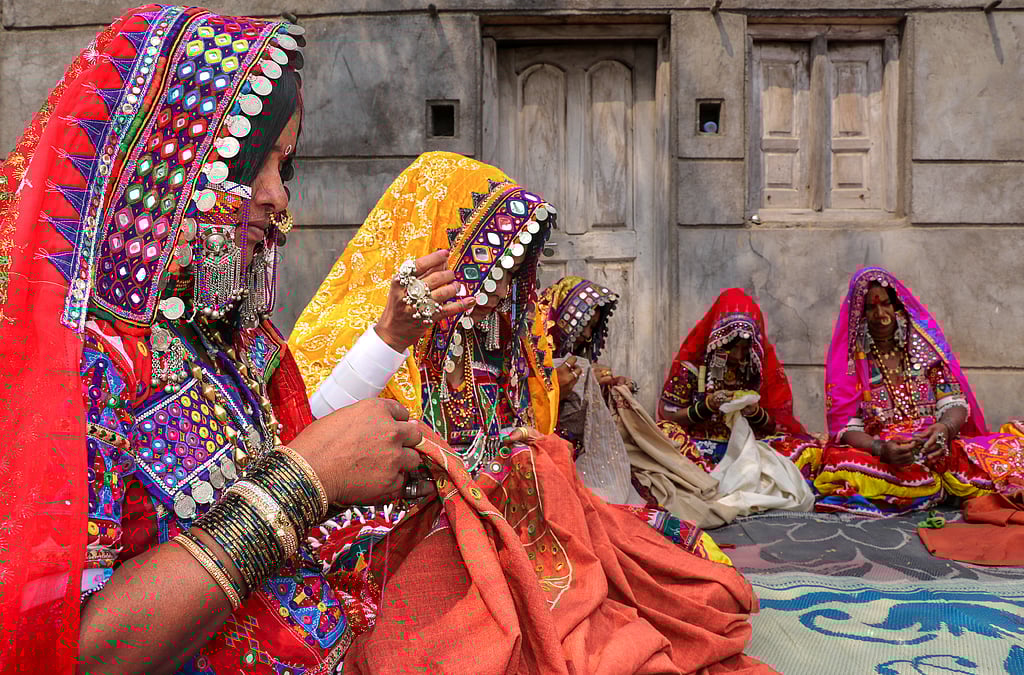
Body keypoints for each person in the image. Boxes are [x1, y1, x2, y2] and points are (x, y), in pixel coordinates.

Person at [0, 7, 431, 673]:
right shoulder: (83, 364)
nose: (277, 197)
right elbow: (76, 654)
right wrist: (302, 480)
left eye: (284, 168)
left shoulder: (224, 343)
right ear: (163, 163)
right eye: (247, 163)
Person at [290, 152, 775, 674]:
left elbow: (504, 432)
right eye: (493, 267)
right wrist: (390, 346)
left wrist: (508, 457)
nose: (502, 289)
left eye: (512, 271)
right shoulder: (367, 338)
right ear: (448, 250)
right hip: (392, 521)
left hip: (487, 506)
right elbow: (312, 445)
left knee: (654, 554)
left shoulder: (489, 340)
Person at [816, 266, 1024, 516]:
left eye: (885, 304)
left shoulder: (923, 348)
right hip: (886, 454)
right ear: (861, 314)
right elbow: (847, 428)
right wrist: (881, 449)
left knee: (1013, 445)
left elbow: (954, 402)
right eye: (871, 308)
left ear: (897, 307)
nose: (880, 314)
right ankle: (936, 487)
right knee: (842, 464)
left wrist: (945, 429)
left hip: (937, 446)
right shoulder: (852, 363)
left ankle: (930, 486)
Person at [657, 289, 822, 481]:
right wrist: (706, 406)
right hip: (700, 447)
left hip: (747, 448)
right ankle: (723, 479)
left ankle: (732, 478)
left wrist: (755, 413)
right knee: (665, 435)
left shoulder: (756, 367)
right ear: (717, 338)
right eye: (731, 347)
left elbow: (777, 425)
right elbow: (669, 416)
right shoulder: (693, 367)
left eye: (744, 349)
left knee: (807, 449)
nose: (737, 355)